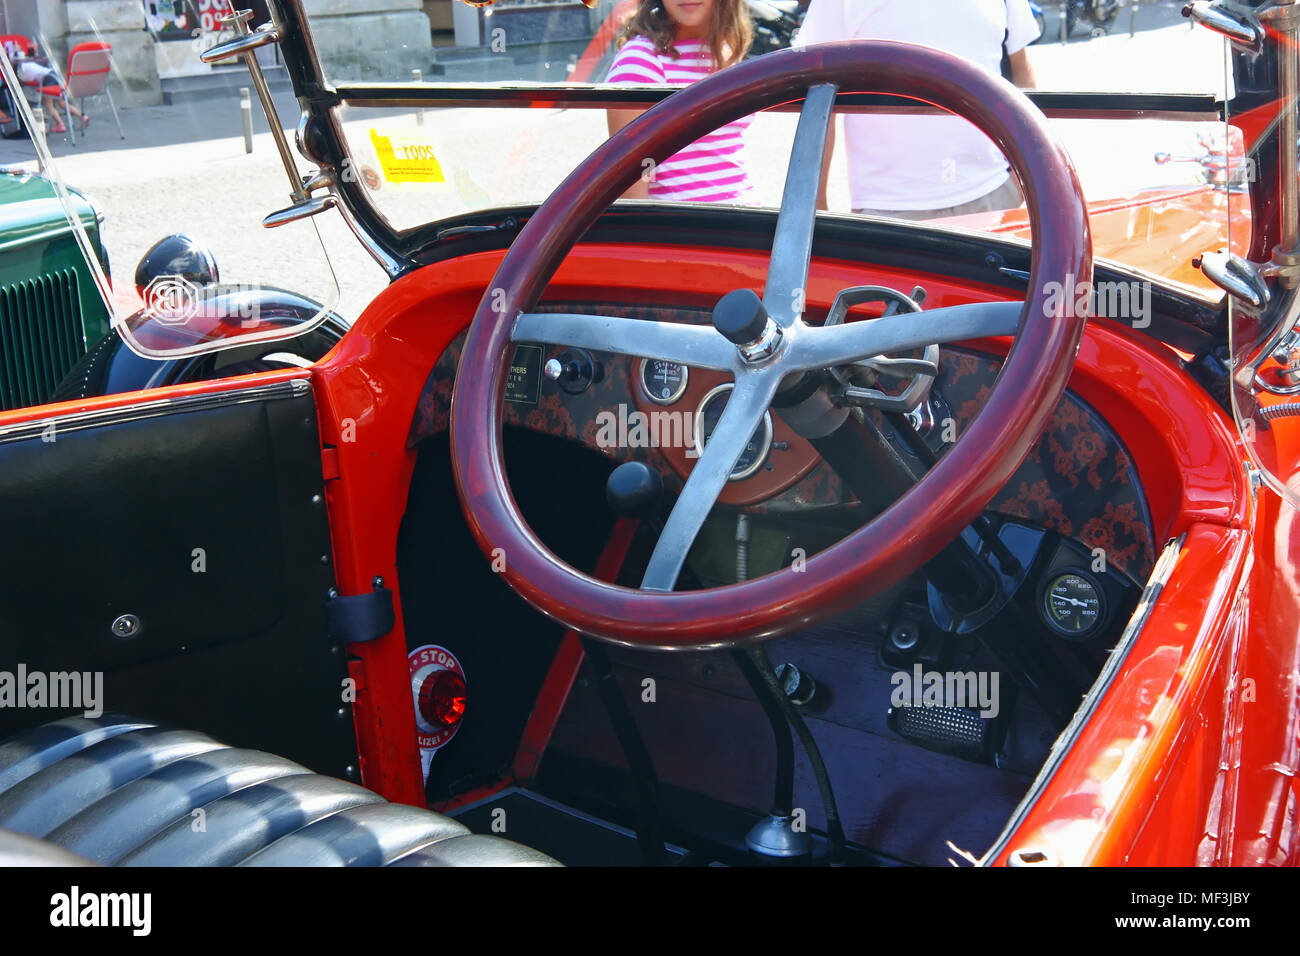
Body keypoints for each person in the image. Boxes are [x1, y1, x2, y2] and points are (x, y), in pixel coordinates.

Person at [797, 0, 1040, 219]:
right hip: (890, 210)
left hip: (993, 194)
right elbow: (818, 94)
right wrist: (815, 213)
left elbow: (1022, 73)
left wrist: (1027, 179)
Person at [605, 0, 754, 204]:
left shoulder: (723, 51)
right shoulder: (641, 60)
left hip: (743, 224)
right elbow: (631, 194)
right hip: (684, 229)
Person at [2, 41, 84, 135]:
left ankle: (60, 124)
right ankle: (82, 117)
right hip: (55, 76)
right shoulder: (28, 64)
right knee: (62, 103)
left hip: (48, 80)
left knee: (49, 105)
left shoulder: (21, 68)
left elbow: (19, 81)